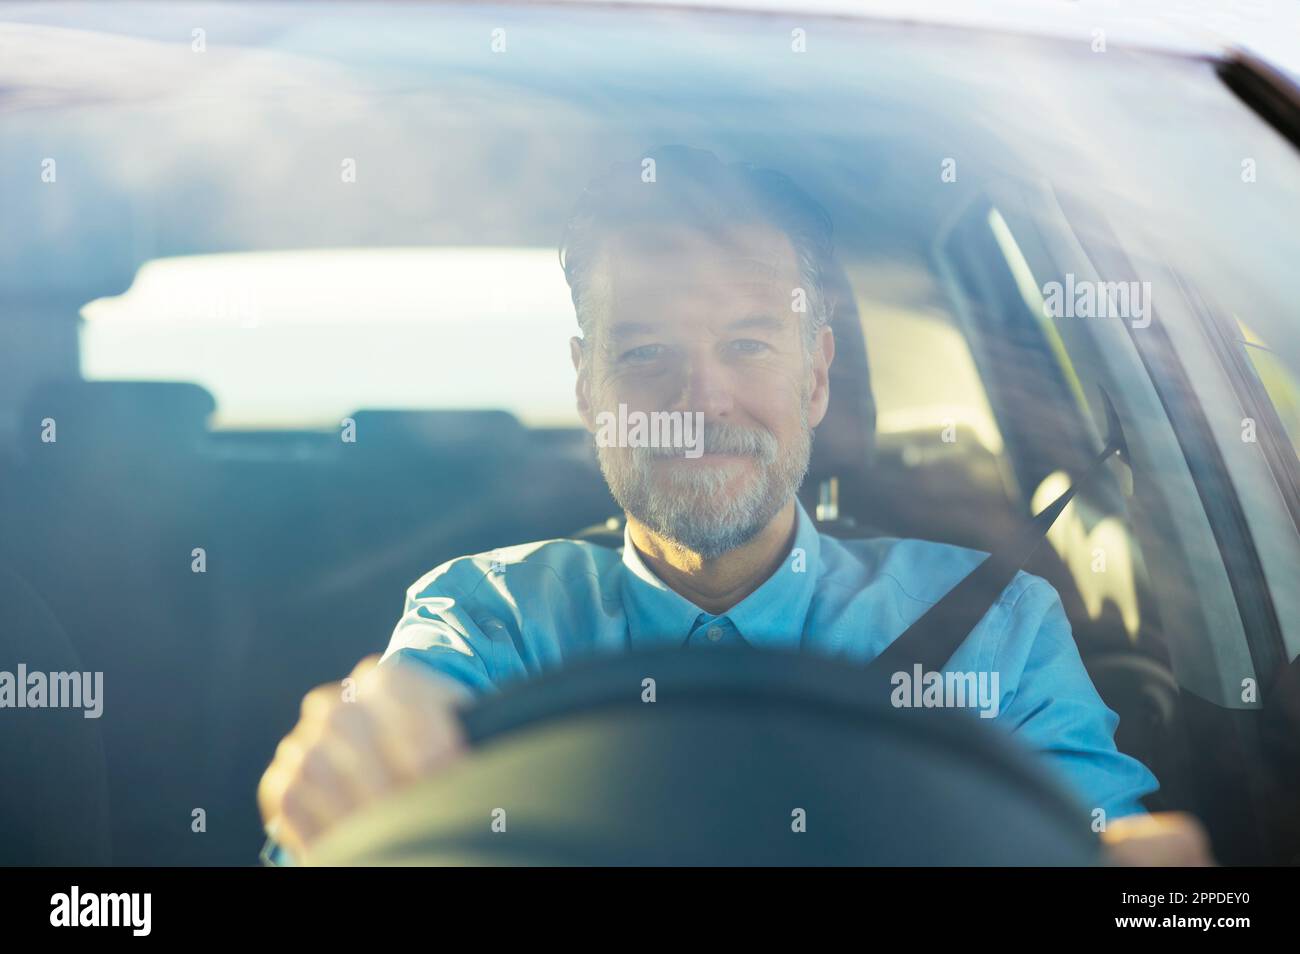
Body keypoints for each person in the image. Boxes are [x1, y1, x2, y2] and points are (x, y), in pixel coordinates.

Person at [258, 146, 1212, 866]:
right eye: (644, 354)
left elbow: (1111, 849)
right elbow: (381, 775)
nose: (698, 402)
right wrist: (351, 774)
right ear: (587, 391)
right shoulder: (489, 619)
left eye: (750, 345)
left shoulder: (991, 630)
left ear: (817, 377)